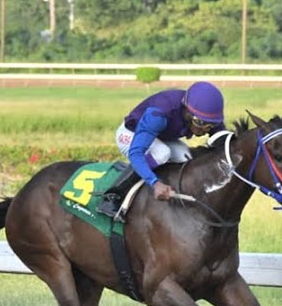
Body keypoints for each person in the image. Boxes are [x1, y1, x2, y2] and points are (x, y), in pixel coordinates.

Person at [95, 81, 226, 221]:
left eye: (210, 125)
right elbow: (136, 153)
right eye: (200, 123)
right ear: (187, 112)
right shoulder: (159, 114)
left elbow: (223, 138)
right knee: (162, 153)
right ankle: (112, 197)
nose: (204, 130)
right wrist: (155, 183)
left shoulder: (204, 113)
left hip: (160, 136)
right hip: (131, 135)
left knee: (186, 156)